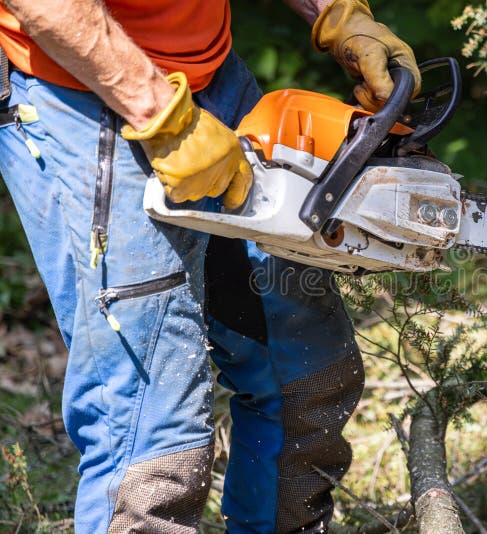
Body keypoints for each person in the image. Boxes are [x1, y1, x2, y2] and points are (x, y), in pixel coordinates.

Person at [0, 0, 420, 532]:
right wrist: (158, 112)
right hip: (78, 85)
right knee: (151, 432)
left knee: (305, 371)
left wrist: (336, 14)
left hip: (209, 72)